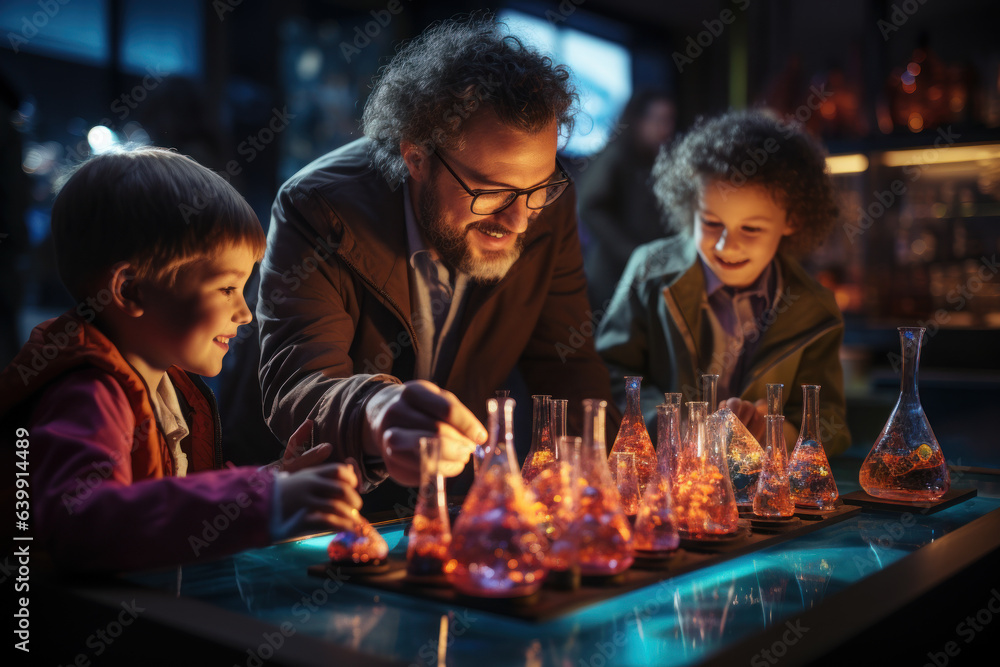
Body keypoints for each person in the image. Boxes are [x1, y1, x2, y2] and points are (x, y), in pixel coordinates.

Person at [257, 16, 613, 494]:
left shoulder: (547, 205)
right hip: (319, 504)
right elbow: (298, 385)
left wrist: (601, 487)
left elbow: (566, 365)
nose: (519, 221)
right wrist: (378, 410)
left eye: (537, 190)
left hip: (450, 506)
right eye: (490, 192)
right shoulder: (318, 207)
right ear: (417, 157)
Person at [0, 148, 363, 571]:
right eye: (228, 289)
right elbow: (84, 521)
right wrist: (263, 501)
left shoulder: (164, 387)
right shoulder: (89, 394)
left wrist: (275, 479)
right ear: (131, 291)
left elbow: (165, 503)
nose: (245, 313)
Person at [596, 109, 849, 455]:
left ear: (792, 219)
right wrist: (678, 427)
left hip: (759, 493)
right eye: (712, 223)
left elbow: (830, 423)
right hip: (666, 481)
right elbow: (608, 375)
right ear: (689, 207)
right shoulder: (651, 271)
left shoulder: (814, 309)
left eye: (751, 228)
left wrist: (773, 431)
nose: (726, 245)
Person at [577, 90, 677, 314]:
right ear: (639, 121)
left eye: (670, 120)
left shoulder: (658, 161)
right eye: (659, 120)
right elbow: (589, 207)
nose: (667, 128)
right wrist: (632, 252)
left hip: (646, 276)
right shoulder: (615, 157)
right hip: (613, 278)